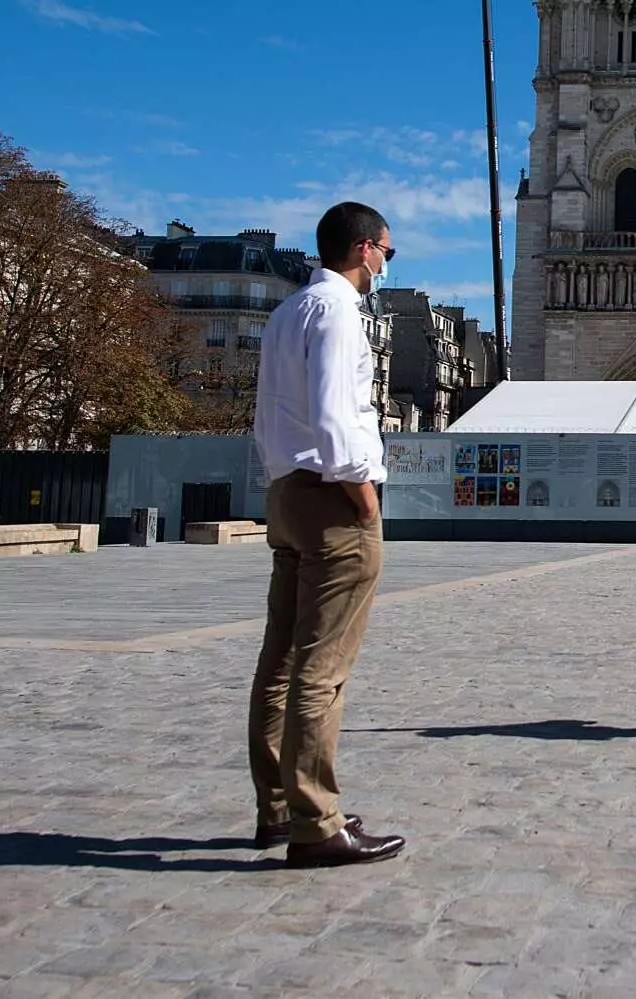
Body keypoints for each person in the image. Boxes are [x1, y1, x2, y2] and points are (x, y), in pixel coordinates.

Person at [248, 202, 406, 868]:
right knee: (323, 668)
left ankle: (279, 806)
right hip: (331, 496)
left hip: (286, 491)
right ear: (366, 249)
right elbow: (338, 414)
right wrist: (363, 496)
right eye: (387, 254)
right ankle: (317, 821)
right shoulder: (339, 312)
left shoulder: (286, 313)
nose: (385, 265)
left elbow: (271, 413)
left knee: (280, 663)